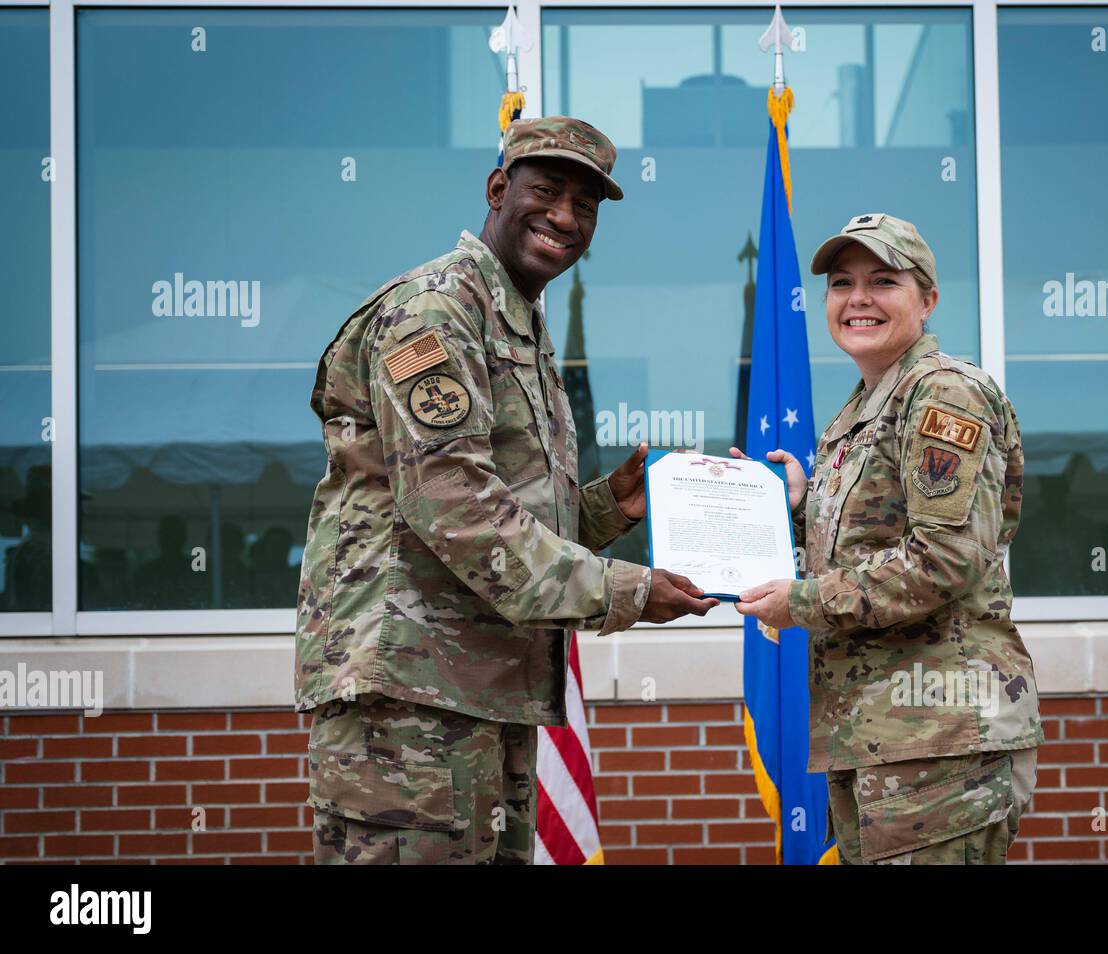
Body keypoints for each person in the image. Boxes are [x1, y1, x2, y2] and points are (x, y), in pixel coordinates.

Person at [296, 116, 717, 865]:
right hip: (412, 708)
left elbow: (501, 509)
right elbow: (455, 509)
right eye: (546, 191)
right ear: (498, 189)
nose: (564, 217)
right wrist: (627, 589)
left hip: (482, 693)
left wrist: (604, 509)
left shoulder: (516, 323)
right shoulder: (434, 314)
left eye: (584, 206)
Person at [735, 213, 1043, 864]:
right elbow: (875, 546)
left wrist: (803, 603)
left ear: (927, 300)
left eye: (883, 281)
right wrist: (796, 510)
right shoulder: (860, 411)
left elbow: (944, 561)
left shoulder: (942, 395)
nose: (858, 299)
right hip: (879, 737)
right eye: (842, 283)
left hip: (938, 742)